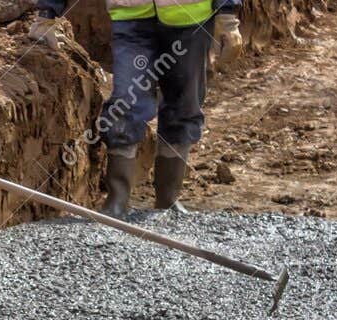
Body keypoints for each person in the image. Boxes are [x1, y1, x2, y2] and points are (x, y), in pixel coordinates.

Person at [29, 1, 244, 217]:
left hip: (192, 19)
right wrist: (47, 12)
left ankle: (167, 201)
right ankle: (117, 201)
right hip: (132, 18)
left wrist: (227, 14)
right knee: (125, 104)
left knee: (184, 106)